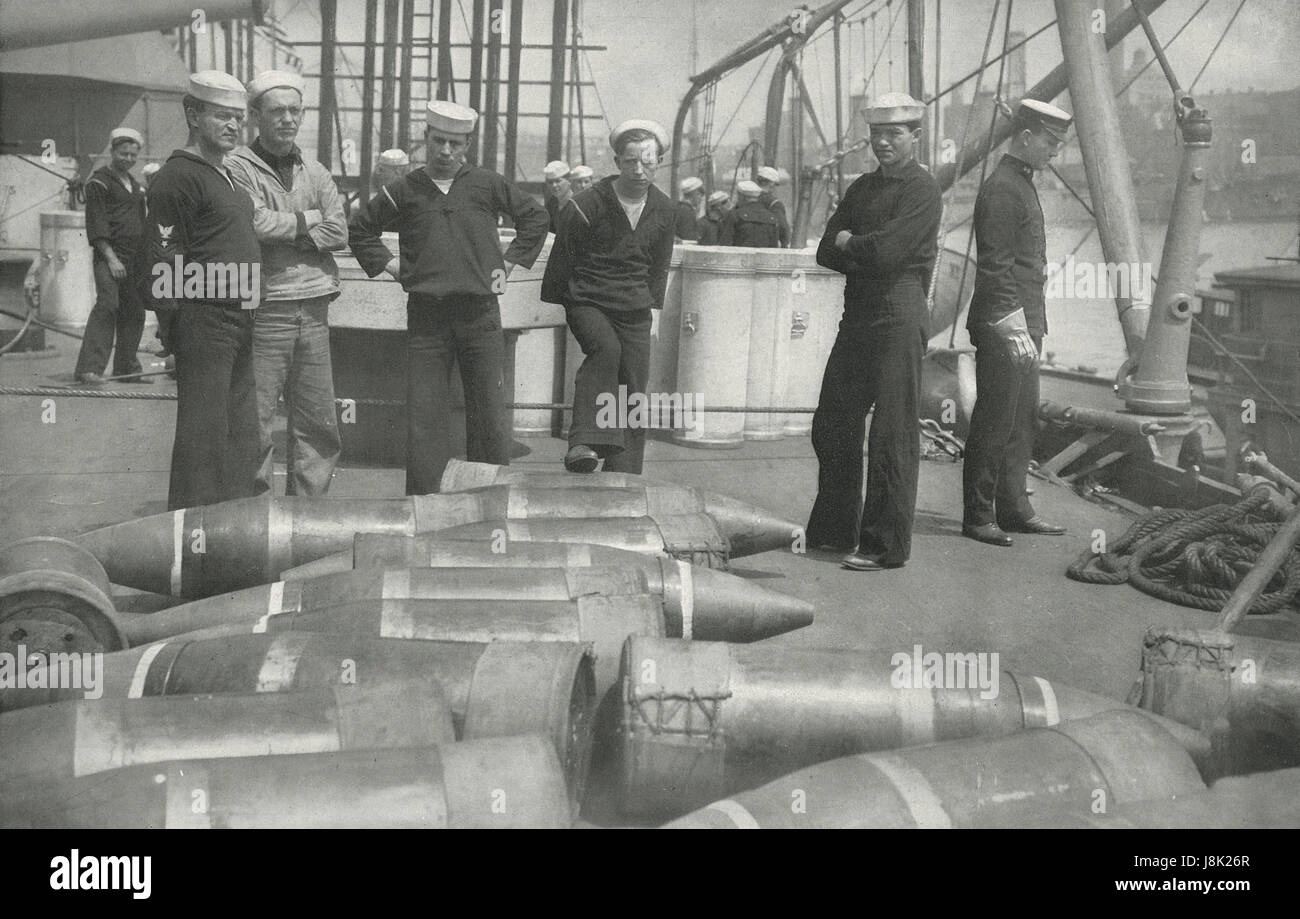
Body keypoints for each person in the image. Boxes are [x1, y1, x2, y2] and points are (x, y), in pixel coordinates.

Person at [349, 100, 549, 495]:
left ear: (467, 145)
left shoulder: (488, 184)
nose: (445, 151)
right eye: (438, 141)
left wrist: (507, 264)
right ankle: (423, 501)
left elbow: (535, 217)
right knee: (425, 414)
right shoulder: (404, 189)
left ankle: (490, 497)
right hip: (427, 318)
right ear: (426, 139)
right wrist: (393, 267)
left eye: (455, 144)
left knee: (488, 413)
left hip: (480, 315)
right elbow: (361, 231)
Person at [805, 92, 942, 571]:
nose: (883, 142)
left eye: (895, 134)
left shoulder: (922, 191)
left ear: (915, 137)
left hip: (900, 313)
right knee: (833, 421)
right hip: (858, 314)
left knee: (892, 432)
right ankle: (834, 529)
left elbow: (888, 254)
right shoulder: (862, 187)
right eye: (878, 134)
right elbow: (825, 251)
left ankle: (884, 546)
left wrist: (852, 244)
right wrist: (859, 247)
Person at [226, 70, 348, 497]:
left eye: (295, 111)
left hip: (314, 308)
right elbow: (254, 222)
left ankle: (308, 521)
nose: (288, 119)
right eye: (277, 111)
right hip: (266, 309)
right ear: (255, 115)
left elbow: (340, 230)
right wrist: (309, 221)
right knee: (255, 423)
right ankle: (255, 525)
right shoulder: (237, 168)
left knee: (318, 423)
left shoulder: (314, 171)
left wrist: (293, 230)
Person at [144, 71, 262, 511]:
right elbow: (162, 257)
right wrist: (173, 326)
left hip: (240, 318)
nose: (233, 126)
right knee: (204, 440)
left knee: (240, 438)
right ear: (193, 115)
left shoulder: (226, 175)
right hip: (205, 319)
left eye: (238, 118)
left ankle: (230, 542)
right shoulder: (178, 177)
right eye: (221, 116)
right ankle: (193, 545)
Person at [961, 100, 1073, 546]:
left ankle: (1013, 509)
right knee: (994, 420)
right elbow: (996, 267)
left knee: (1021, 420)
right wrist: (1013, 328)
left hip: (1026, 323)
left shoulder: (1020, 184)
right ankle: (977, 515)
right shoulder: (1004, 189)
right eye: (1050, 141)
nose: (1054, 152)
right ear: (1026, 137)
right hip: (1006, 325)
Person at [542, 119, 676, 475]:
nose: (638, 169)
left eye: (647, 161)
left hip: (634, 306)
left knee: (634, 381)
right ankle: (583, 443)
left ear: (659, 162)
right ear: (617, 161)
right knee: (606, 350)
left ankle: (624, 470)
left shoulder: (664, 210)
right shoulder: (586, 205)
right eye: (630, 161)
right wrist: (571, 304)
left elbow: (659, 266)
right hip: (588, 300)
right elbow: (561, 261)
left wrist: (654, 312)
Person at [74, 127, 148, 385]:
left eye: (133, 154)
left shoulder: (135, 186)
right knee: (108, 306)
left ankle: (126, 369)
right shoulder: (100, 181)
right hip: (110, 257)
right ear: (113, 151)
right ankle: (89, 369)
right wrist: (111, 257)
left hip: (135, 258)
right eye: (123, 153)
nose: (128, 158)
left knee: (135, 311)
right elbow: (96, 222)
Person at [718, 180, 780, 247]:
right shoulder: (771, 217)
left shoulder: (734, 215)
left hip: (739, 256)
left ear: (741, 196)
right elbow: (774, 247)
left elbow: (724, 245)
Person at [756, 165, 790, 248]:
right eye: (775, 184)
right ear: (771, 183)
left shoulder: (745, 199)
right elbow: (783, 229)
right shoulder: (774, 203)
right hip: (768, 247)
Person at [543, 159, 572, 232]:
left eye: (558, 181)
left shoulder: (578, 203)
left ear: (569, 180)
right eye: (550, 182)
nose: (554, 185)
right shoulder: (552, 203)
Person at [674, 176, 703, 241]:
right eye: (699, 194)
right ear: (695, 193)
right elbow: (688, 239)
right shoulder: (687, 211)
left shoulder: (679, 207)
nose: (700, 198)